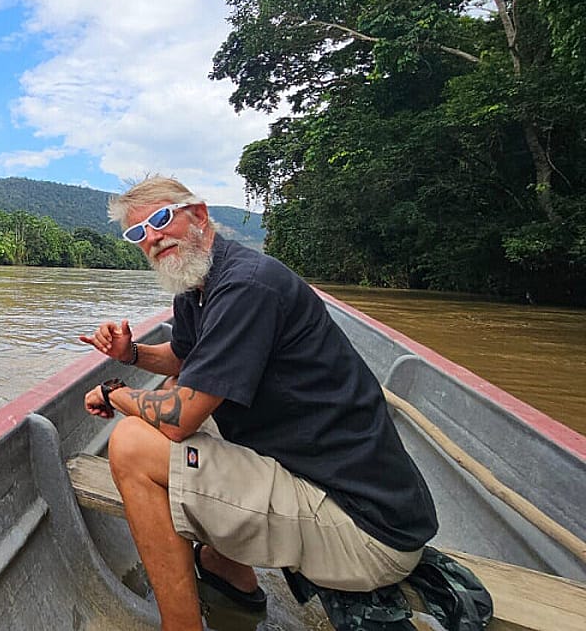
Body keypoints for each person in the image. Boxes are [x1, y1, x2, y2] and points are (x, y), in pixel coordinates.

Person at [79, 176, 437, 631]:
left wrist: (115, 393)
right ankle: (230, 580)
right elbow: (186, 358)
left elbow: (177, 419)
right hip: (336, 487)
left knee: (132, 442)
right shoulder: (199, 287)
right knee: (172, 396)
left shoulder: (247, 286)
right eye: (137, 233)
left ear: (200, 214)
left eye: (161, 219)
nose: (151, 237)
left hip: (364, 531)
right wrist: (130, 355)